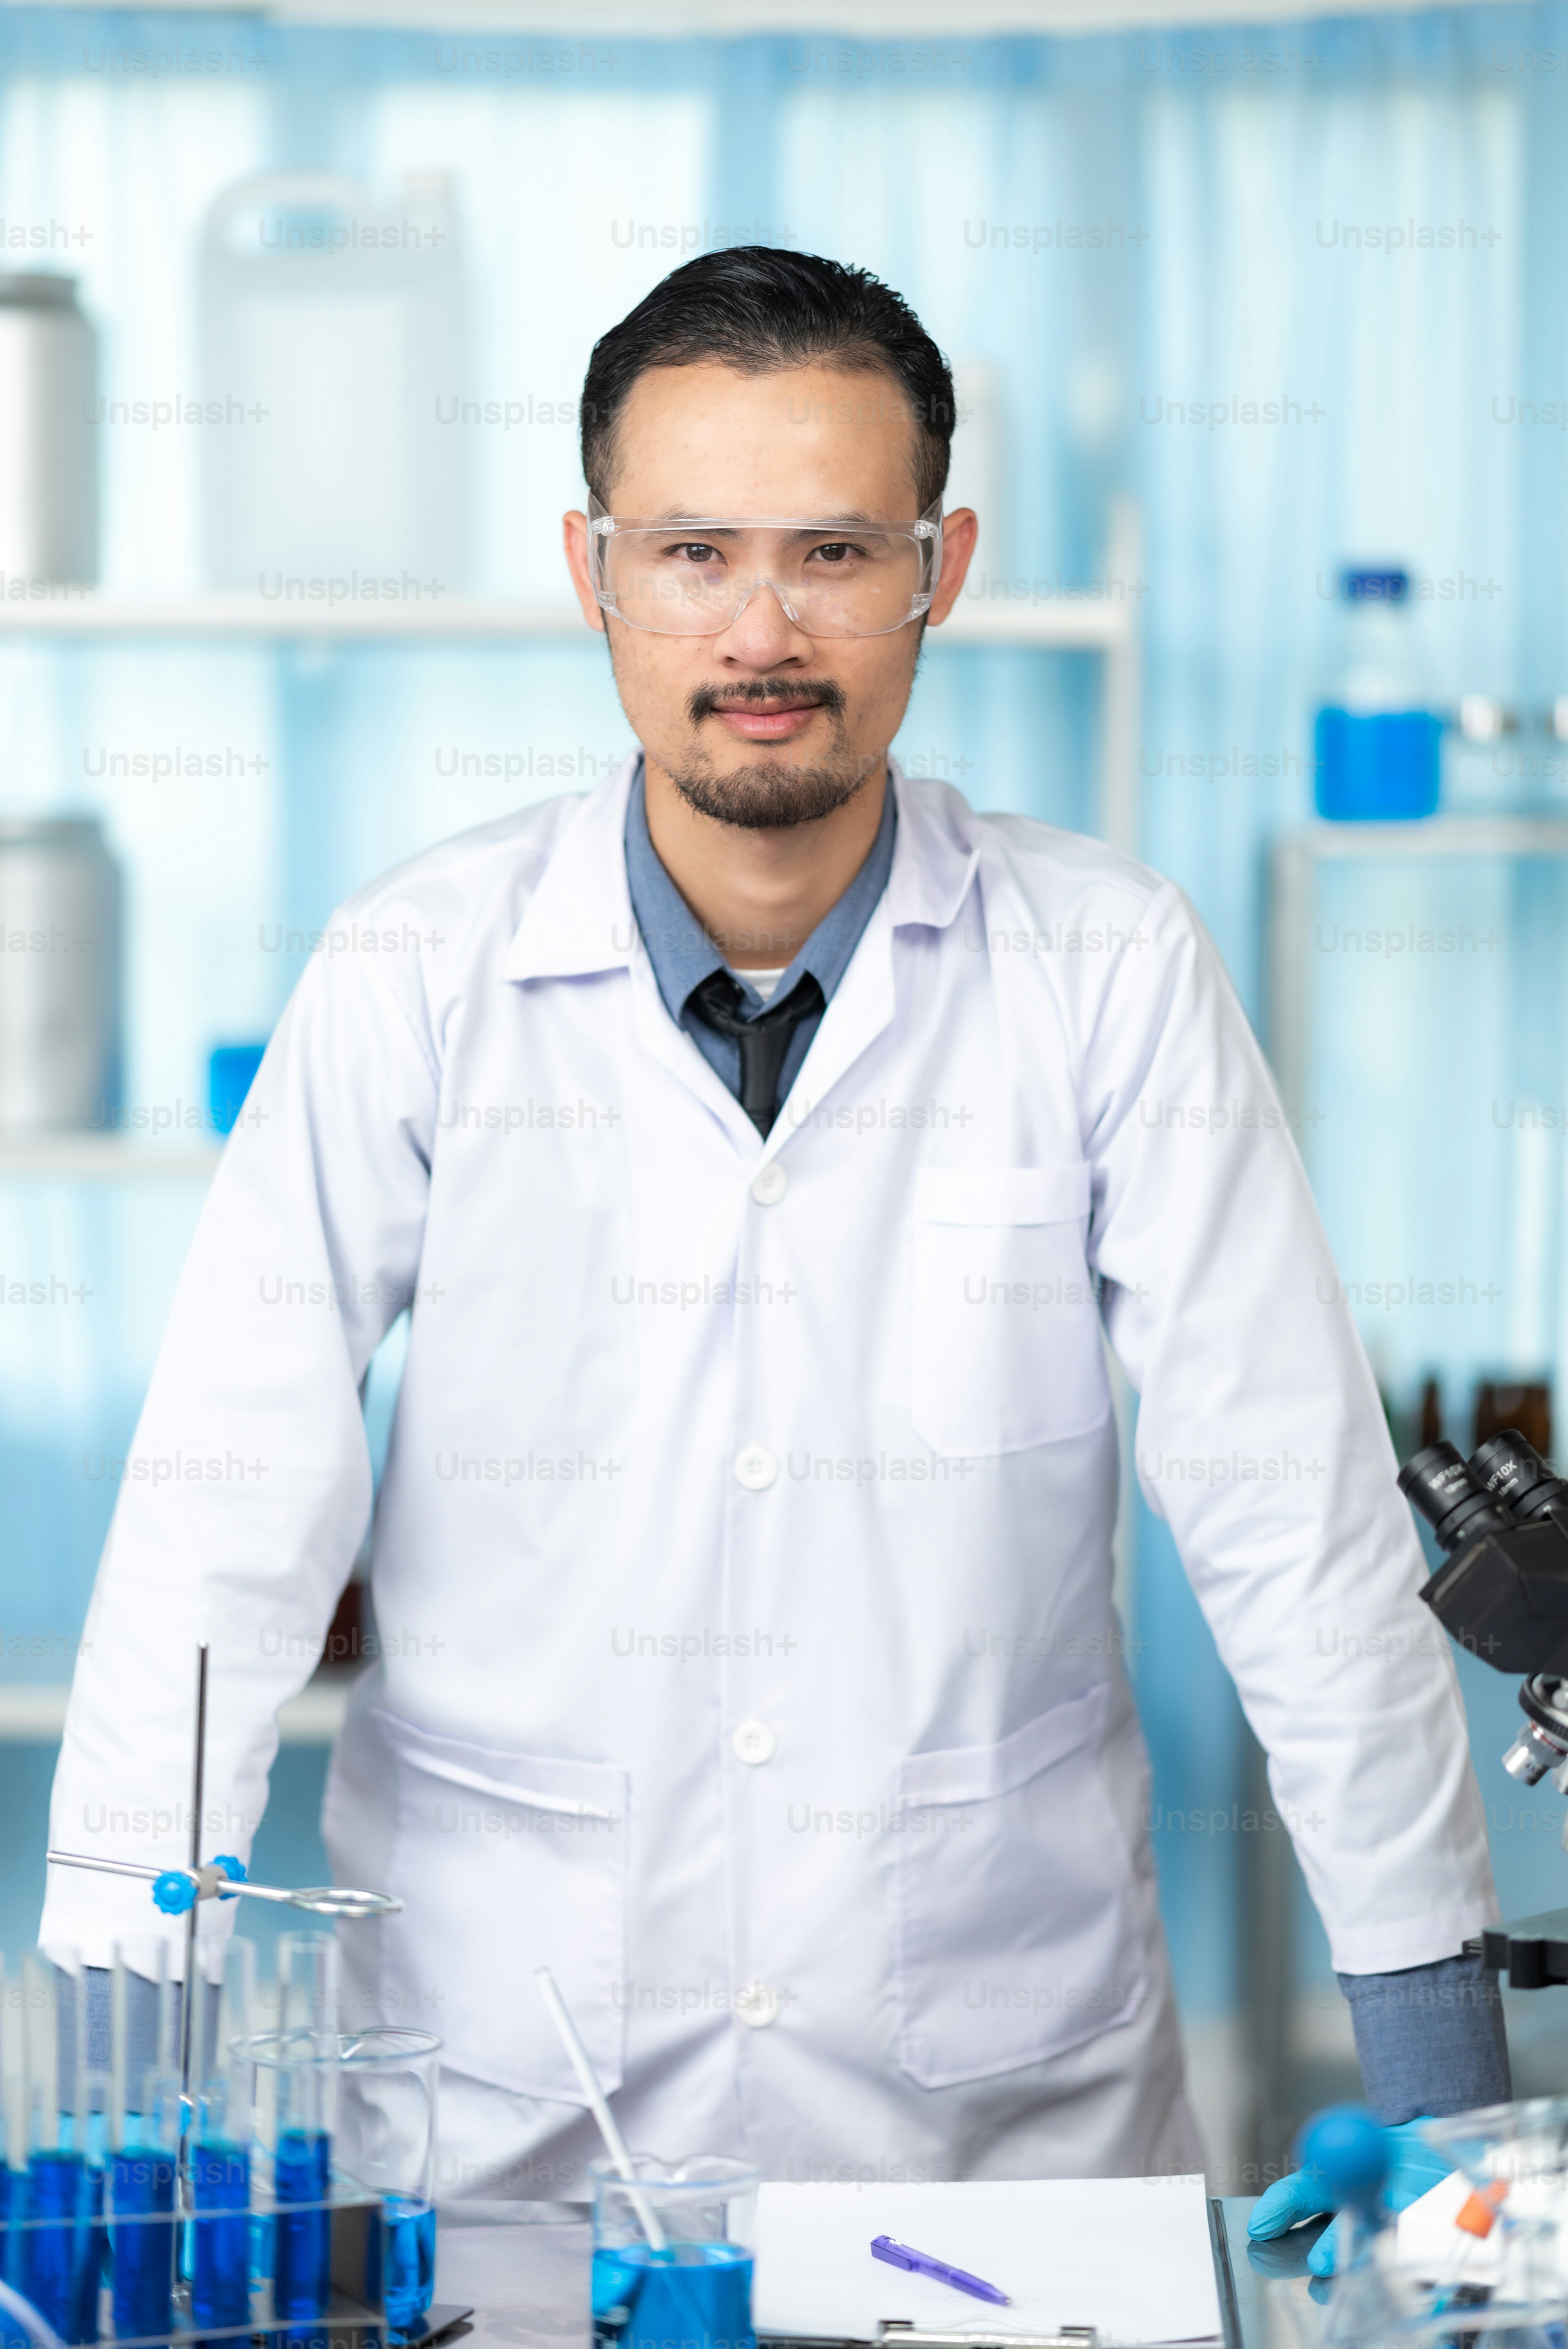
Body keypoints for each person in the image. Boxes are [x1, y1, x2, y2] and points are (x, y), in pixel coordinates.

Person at [44, 248, 1506, 2231]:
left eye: (830, 550)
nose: (761, 628)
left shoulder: (1106, 965)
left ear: (940, 566)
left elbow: (1296, 1528)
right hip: (506, 2119)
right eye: (691, 552)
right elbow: (222, 1515)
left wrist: (1446, 2116)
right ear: (591, 572)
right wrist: (119, 2120)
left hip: (995, 2133)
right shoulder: (413, 969)